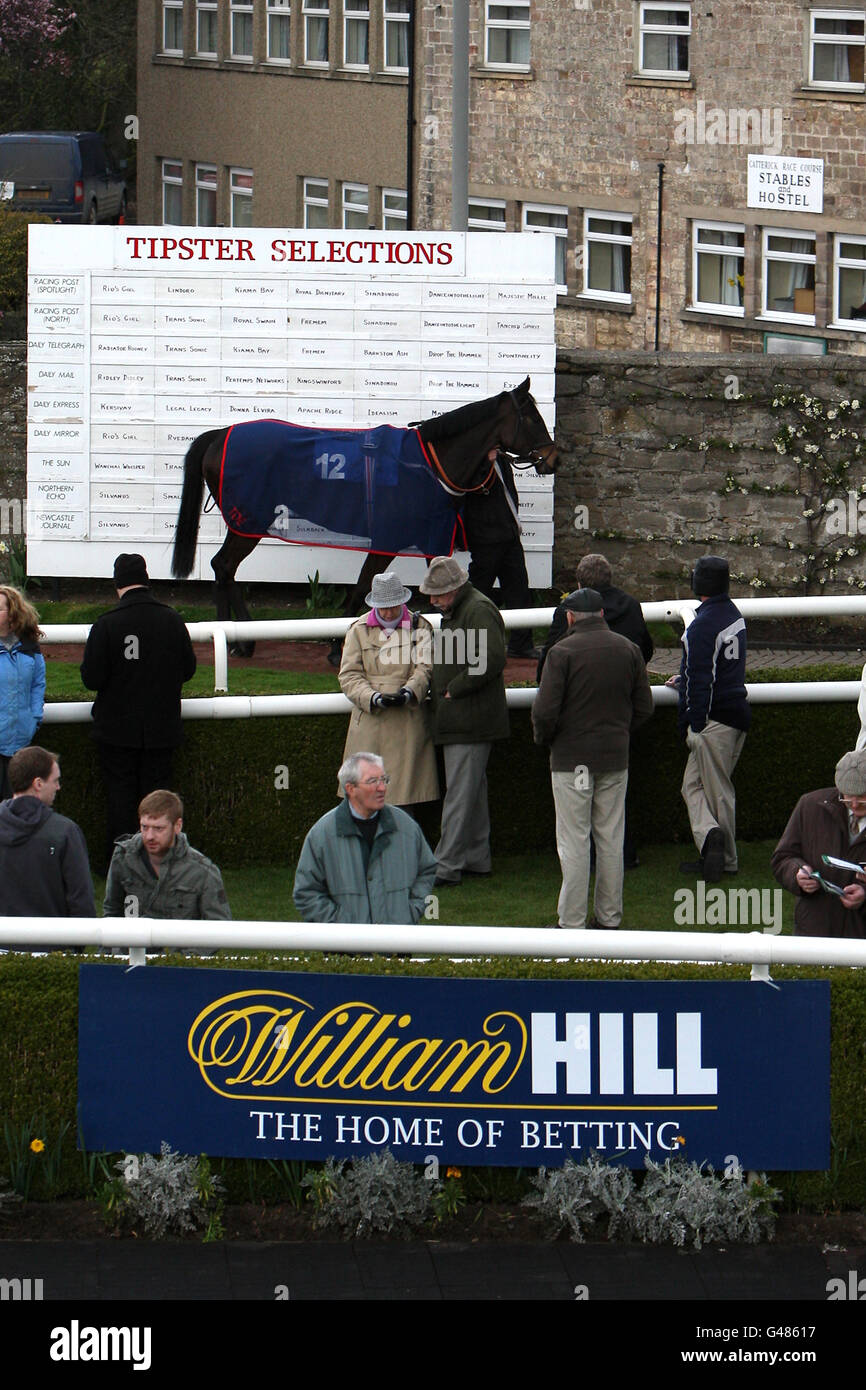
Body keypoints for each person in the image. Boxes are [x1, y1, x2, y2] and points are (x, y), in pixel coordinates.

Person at [532, 588, 654, 929]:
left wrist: (546, 740)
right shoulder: (628, 649)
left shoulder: (561, 652)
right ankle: (609, 918)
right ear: (602, 614)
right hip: (615, 759)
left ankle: (571, 923)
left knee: (574, 841)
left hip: (572, 761)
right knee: (611, 838)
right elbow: (644, 708)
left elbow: (545, 712)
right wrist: (618, 734)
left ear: (570, 617)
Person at [80, 553, 196, 870]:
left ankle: (121, 867)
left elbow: (91, 679)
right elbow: (188, 670)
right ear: (146, 580)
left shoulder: (106, 624)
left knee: (120, 801)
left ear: (117, 583)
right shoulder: (172, 619)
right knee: (159, 802)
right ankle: (160, 864)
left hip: (116, 732)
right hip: (162, 730)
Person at [419, 555, 509, 886]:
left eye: (437, 594)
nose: (432, 600)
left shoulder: (478, 609)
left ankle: (445, 867)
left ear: (455, 589)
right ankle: (476, 859)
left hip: (469, 720)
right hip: (467, 718)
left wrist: (454, 689)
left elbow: (492, 658)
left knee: (459, 794)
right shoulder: (466, 608)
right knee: (471, 792)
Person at [667, 556, 750, 883]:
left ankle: (726, 859)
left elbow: (701, 676)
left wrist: (694, 722)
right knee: (693, 786)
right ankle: (711, 836)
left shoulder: (701, 626)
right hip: (734, 713)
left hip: (713, 720)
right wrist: (685, 680)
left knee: (716, 791)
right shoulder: (734, 615)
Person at [293, 753, 438, 924]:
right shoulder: (322, 834)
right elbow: (306, 893)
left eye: (384, 779)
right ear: (350, 789)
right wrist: (339, 926)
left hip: (398, 944)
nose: (382, 788)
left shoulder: (406, 827)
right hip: (344, 948)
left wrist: (409, 911)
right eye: (372, 781)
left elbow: (427, 870)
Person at [338, 570, 438, 812]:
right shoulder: (358, 630)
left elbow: (425, 668)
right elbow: (349, 675)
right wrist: (372, 697)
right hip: (370, 720)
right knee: (365, 801)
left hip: (408, 719)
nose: (388, 612)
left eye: (393, 606)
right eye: (383, 607)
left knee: (405, 800)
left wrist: (408, 692)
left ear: (402, 602)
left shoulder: (420, 627)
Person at [771, 750, 866, 939]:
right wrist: (797, 873)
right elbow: (782, 857)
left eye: (863, 797)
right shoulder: (810, 805)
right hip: (813, 930)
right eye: (847, 797)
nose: (854, 804)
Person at [103, 789, 231, 926]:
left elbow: (220, 927)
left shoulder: (203, 871)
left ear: (177, 826)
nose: (149, 836)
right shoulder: (123, 857)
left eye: (158, 829)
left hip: (181, 946)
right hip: (131, 946)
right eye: (144, 827)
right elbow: (111, 913)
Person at [461, 448, 540, 660]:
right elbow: (473, 487)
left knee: (519, 590)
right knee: (477, 593)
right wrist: (486, 462)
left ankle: (521, 644)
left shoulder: (502, 459)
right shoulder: (471, 457)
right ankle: (467, 645)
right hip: (485, 538)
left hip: (509, 534)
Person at [0, 746, 95, 920]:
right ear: (38, 784)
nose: (58, 787)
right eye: (55, 780)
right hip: (53, 944)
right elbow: (82, 903)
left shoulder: (64, 831)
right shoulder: (66, 831)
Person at [536, 553, 653, 679]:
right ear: (609, 578)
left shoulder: (568, 609)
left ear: (579, 583)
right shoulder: (631, 605)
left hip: (580, 685)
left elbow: (547, 662)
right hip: (624, 683)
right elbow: (645, 650)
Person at [0, 586, 46, 801]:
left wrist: (34, 717)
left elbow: (38, 683)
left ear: (12, 613)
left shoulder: (30, 646)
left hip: (20, 741)